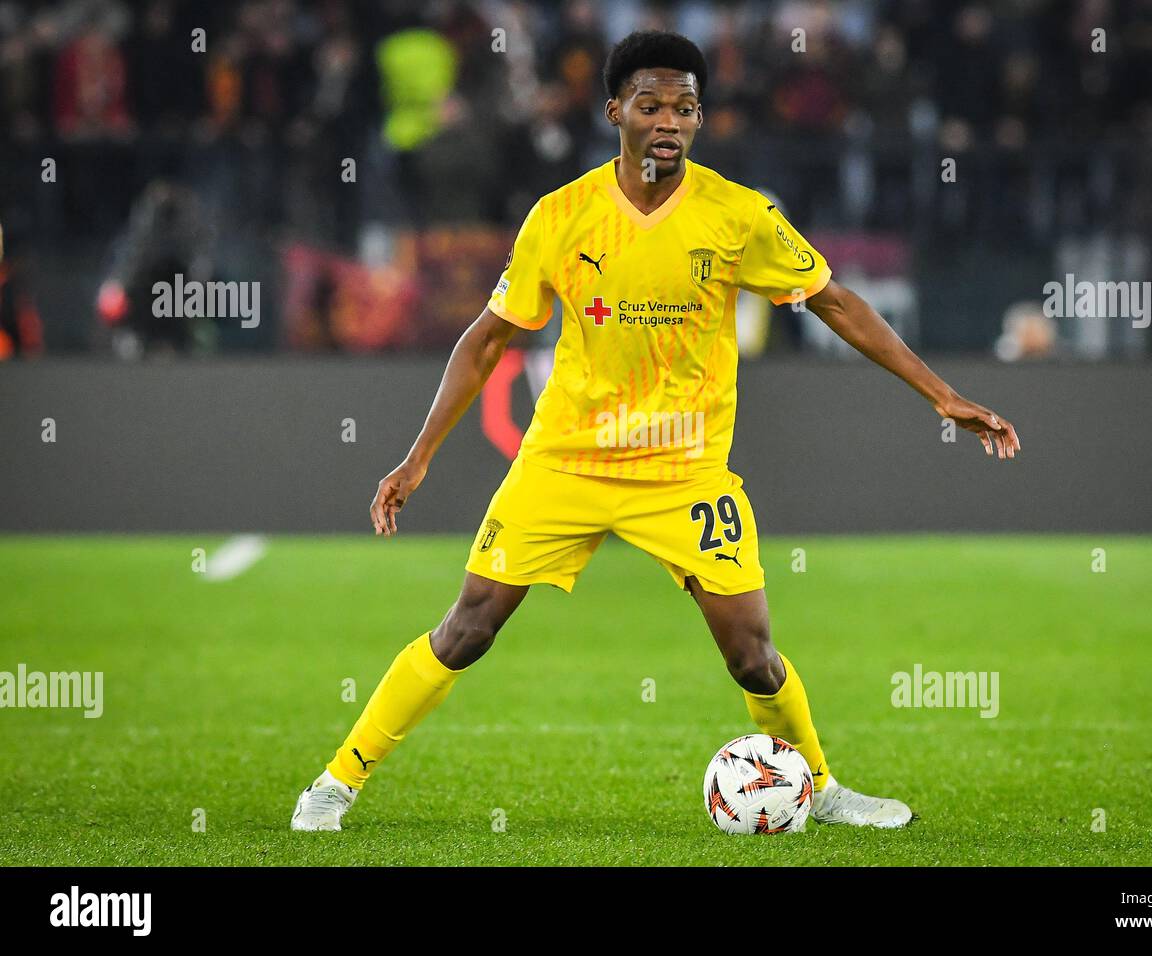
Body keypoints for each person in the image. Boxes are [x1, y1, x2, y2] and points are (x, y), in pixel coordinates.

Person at [292, 31, 1020, 833]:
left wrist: (942, 395)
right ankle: (336, 782)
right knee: (466, 629)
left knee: (752, 652)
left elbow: (834, 301)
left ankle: (820, 784)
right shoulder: (561, 217)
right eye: (650, 105)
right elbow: (487, 338)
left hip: (685, 471)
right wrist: (417, 456)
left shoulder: (738, 215)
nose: (668, 120)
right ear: (616, 112)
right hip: (568, 460)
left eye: (685, 107)